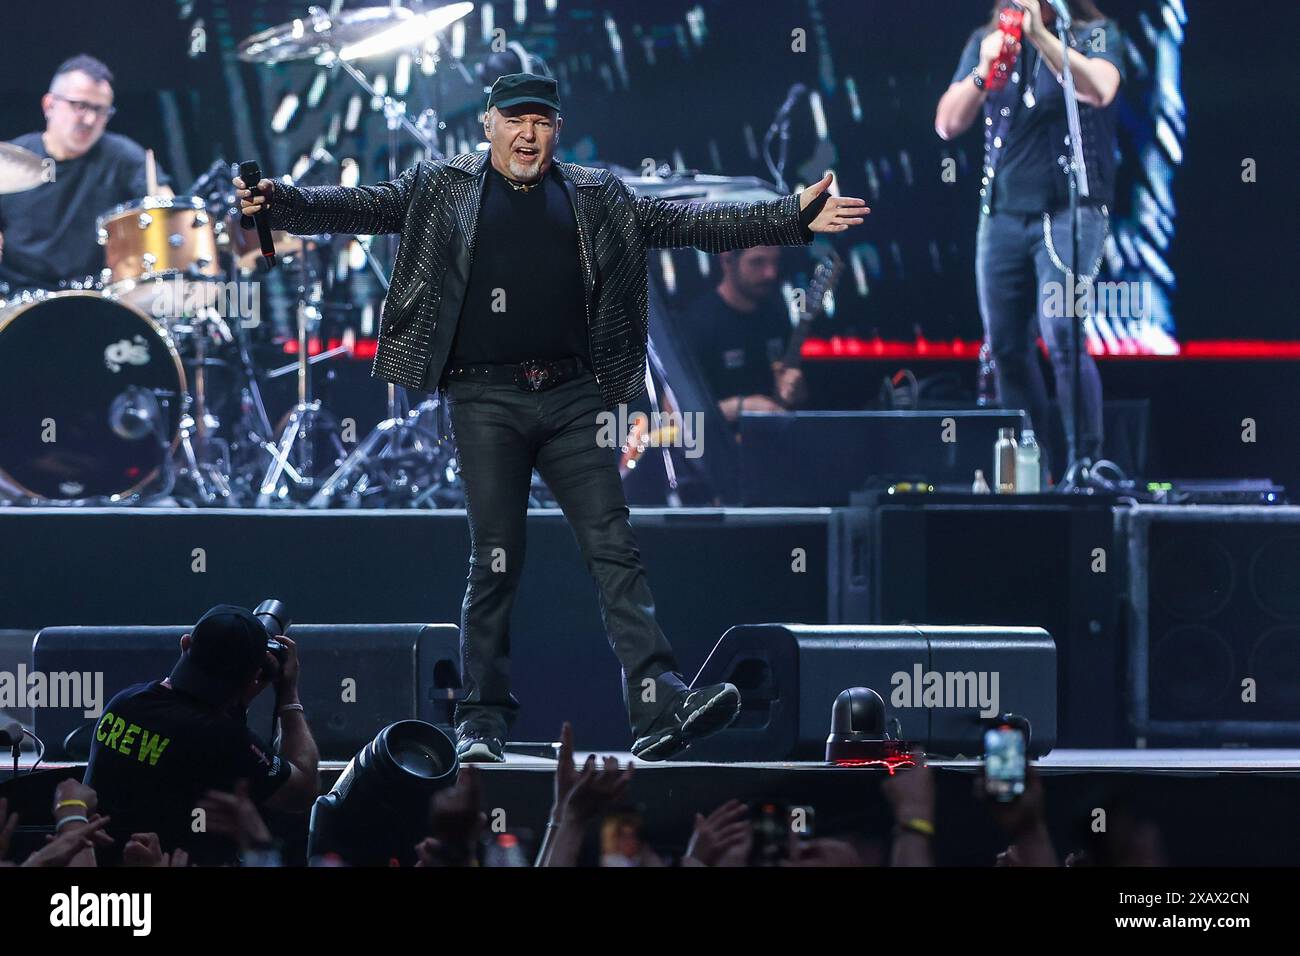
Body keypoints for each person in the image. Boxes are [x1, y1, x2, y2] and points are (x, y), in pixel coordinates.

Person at [236, 72, 868, 763]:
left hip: (573, 398)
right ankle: (479, 721)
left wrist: (790, 217)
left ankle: (657, 702)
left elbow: (690, 223)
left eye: (541, 121)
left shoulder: (596, 196)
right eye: (515, 120)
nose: (528, 134)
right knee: (495, 561)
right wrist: (284, 201)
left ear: (556, 129)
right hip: (485, 397)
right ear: (487, 124)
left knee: (614, 547)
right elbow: (362, 206)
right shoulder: (441, 186)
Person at [935, 0, 1123, 480]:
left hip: (1068, 213)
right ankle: (1030, 467)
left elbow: (1101, 88)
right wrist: (982, 71)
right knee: (1005, 347)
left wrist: (1041, 35)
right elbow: (948, 122)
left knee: (1062, 335)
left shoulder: (1093, 33)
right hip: (1001, 216)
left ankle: (1086, 464)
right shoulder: (988, 39)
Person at [83, 604, 319, 865]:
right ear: (255, 675)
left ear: (185, 644)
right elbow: (303, 790)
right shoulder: (223, 738)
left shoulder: (124, 703)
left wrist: (240, 702)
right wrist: (288, 693)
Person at [0, 54, 173, 295]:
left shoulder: (122, 156)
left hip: (98, 297)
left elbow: (166, 207)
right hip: (19, 298)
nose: (90, 119)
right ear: (49, 105)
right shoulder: (9, 162)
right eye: (80, 106)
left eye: (100, 110)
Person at [684, 245, 808, 424]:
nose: (770, 273)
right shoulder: (698, 323)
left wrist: (794, 387)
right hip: (720, 445)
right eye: (757, 262)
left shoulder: (776, 315)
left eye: (775, 262)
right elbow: (674, 413)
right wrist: (743, 408)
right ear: (727, 259)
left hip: (775, 440)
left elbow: (799, 398)